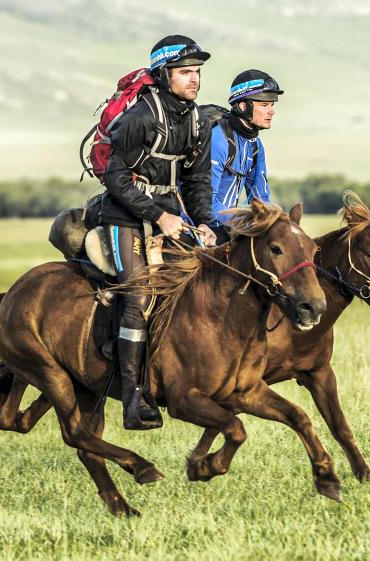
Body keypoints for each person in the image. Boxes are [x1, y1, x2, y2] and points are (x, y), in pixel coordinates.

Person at [100, 35, 217, 430]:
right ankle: (133, 400)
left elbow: (197, 180)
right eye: (186, 72)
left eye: (197, 72)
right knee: (138, 294)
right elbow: (114, 177)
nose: (194, 79)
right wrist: (157, 214)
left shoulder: (198, 120)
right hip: (123, 214)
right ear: (164, 75)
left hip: (170, 215)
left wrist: (203, 221)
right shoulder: (141, 116)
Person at [209, 69, 284, 244]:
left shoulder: (256, 146)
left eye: (272, 105)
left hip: (227, 227)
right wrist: (245, 223)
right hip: (198, 226)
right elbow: (206, 203)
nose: (271, 111)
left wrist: (272, 222)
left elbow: (260, 199)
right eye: (264, 105)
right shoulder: (218, 139)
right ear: (243, 106)